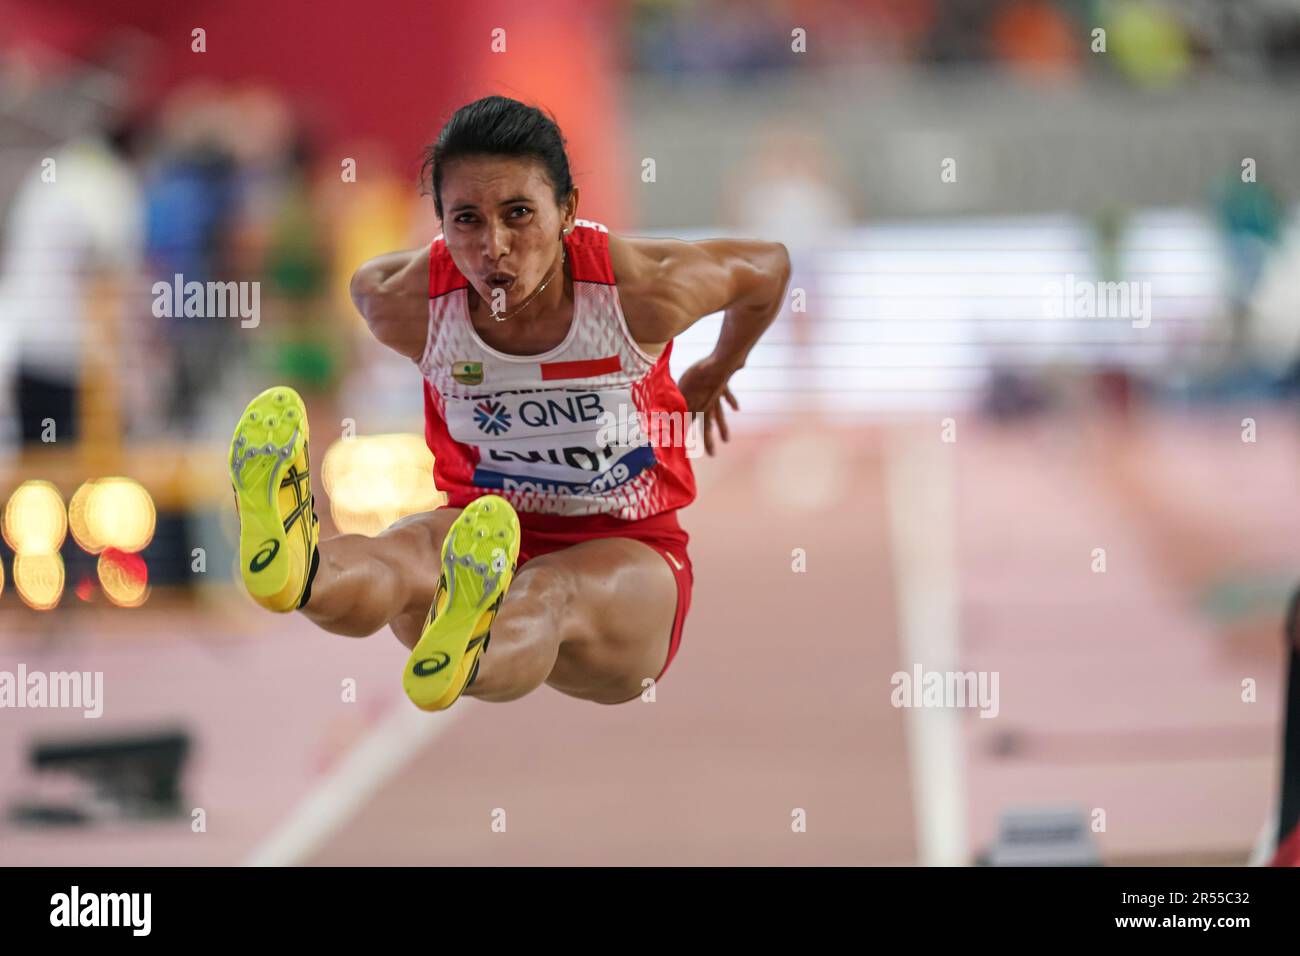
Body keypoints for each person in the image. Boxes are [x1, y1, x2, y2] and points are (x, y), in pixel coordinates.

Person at [227, 95, 790, 710]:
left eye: (518, 213)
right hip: (481, 534)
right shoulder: (404, 302)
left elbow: (768, 267)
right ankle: (307, 576)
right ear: (438, 222)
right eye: (466, 219)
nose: (494, 245)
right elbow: (768, 270)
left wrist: (716, 367)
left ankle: (412, 617)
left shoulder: (642, 289)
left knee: (520, 582)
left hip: (631, 557)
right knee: (415, 553)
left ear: (568, 210)